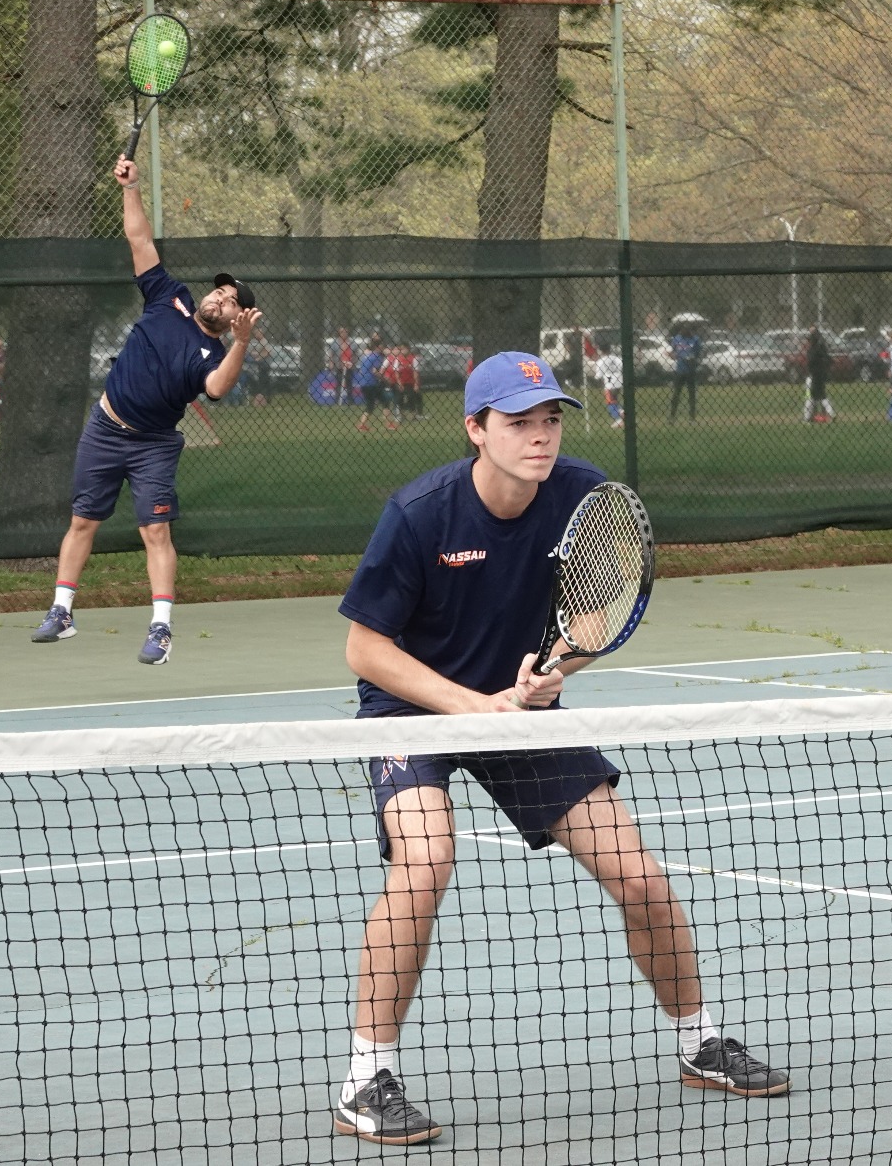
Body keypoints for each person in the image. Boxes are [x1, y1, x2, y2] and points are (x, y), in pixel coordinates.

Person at [331, 352, 789, 1145]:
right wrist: (470, 705)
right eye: (518, 422)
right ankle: (366, 1077)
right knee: (427, 859)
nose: (540, 436)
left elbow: (601, 599)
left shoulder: (580, 492)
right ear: (475, 429)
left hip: (518, 712)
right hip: (413, 708)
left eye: (549, 419)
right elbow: (365, 649)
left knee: (640, 877)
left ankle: (700, 1041)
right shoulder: (420, 514)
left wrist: (553, 672)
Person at [30, 155, 259, 665]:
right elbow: (140, 241)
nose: (218, 299)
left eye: (228, 302)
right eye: (218, 291)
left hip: (153, 444)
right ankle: (62, 612)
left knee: (155, 531)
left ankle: (160, 628)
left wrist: (242, 344)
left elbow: (218, 390)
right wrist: (131, 189)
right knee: (82, 521)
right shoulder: (169, 299)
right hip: (104, 429)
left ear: (234, 320)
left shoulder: (215, 354)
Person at [357, 336, 398, 432]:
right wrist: (385, 379)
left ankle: (363, 424)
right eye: (382, 346)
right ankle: (388, 424)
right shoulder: (377, 357)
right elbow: (375, 371)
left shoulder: (366, 356)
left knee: (373, 404)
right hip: (371, 383)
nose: (383, 348)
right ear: (378, 346)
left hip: (363, 383)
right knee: (383, 402)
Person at [668, 324, 701, 422]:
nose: (685, 331)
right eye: (684, 329)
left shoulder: (695, 339)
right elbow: (673, 352)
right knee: (676, 394)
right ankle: (672, 416)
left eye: (688, 329)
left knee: (692, 394)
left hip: (691, 370)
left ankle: (692, 417)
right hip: (680, 370)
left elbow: (699, 353)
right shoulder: (677, 339)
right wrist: (673, 355)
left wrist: (692, 358)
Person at [588, 339, 625, 427]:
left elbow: (598, 376)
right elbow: (621, 367)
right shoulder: (617, 359)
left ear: (601, 351)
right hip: (619, 382)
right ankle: (621, 412)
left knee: (610, 402)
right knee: (615, 399)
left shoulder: (601, 361)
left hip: (609, 384)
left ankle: (619, 418)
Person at [802, 326, 834, 423]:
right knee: (822, 396)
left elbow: (810, 362)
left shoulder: (813, 350)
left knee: (811, 397)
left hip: (813, 376)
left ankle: (807, 418)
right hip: (820, 375)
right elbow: (828, 359)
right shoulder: (821, 347)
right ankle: (831, 414)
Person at [392, 343, 423, 419]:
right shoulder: (398, 359)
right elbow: (396, 372)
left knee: (411, 397)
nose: (402, 351)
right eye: (401, 349)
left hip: (410, 382)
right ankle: (400, 415)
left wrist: (416, 384)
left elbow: (415, 371)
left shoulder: (413, 359)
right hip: (401, 382)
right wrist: (399, 383)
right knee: (399, 398)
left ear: (408, 349)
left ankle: (414, 414)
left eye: (403, 349)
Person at [245, 328, 272, 408]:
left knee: (264, 382)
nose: (257, 334)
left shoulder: (264, 341)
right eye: (256, 333)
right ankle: (257, 398)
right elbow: (248, 352)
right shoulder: (253, 342)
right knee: (255, 382)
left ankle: (264, 399)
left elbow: (268, 352)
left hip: (263, 365)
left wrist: (259, 358)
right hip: (253, 365)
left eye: (259, 333)